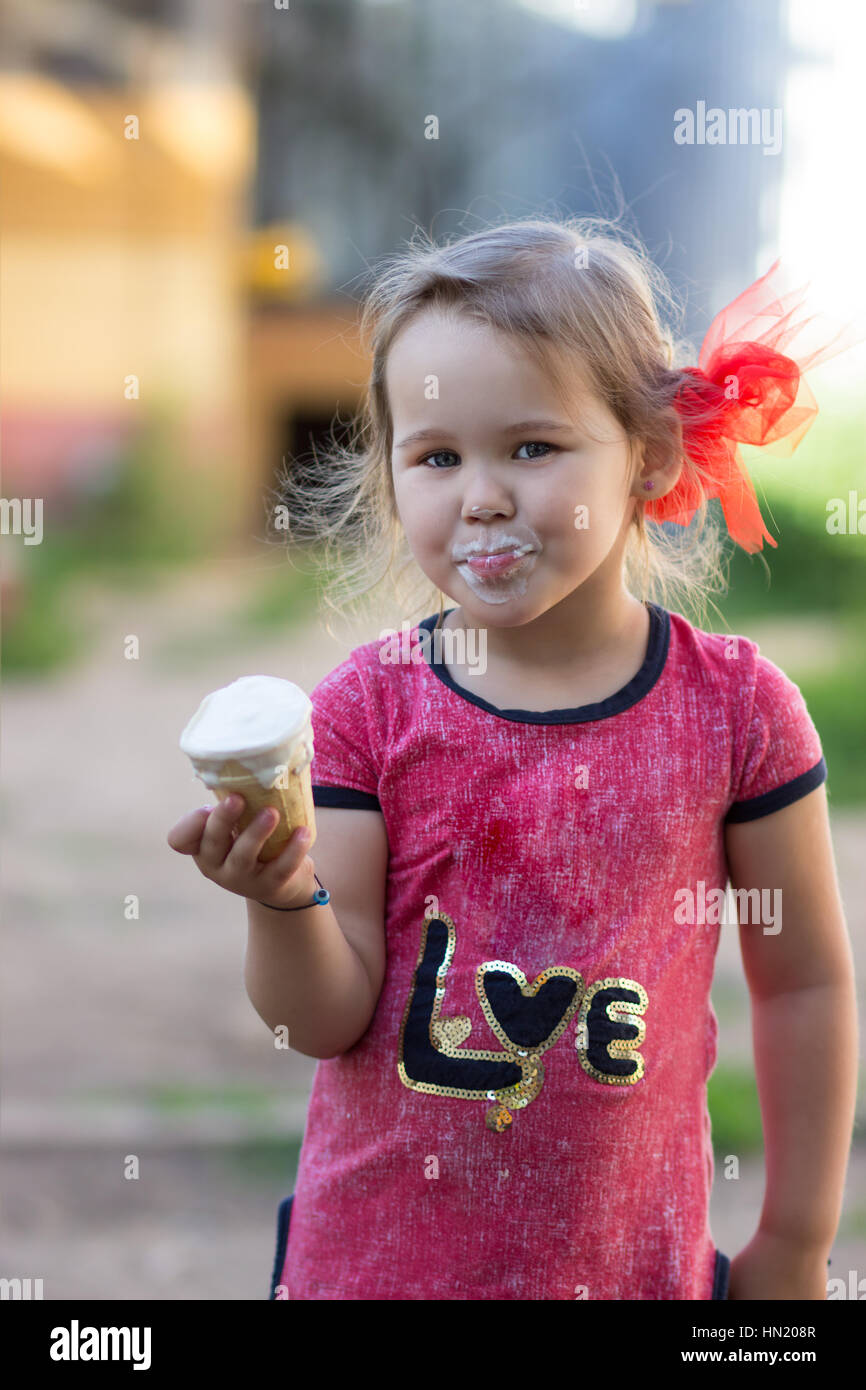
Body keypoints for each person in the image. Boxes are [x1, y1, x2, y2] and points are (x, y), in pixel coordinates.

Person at [167, 217, 858, 1300]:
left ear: (650, 454)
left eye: (530, 447)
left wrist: (795, 1241)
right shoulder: (361, 712)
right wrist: (278, 895)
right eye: (437, 457)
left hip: (631, 1273)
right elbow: (323, 1019)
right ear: (393, 479)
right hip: (374, 1273)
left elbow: (805, 984)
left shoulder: (737, 715)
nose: (480, 494)